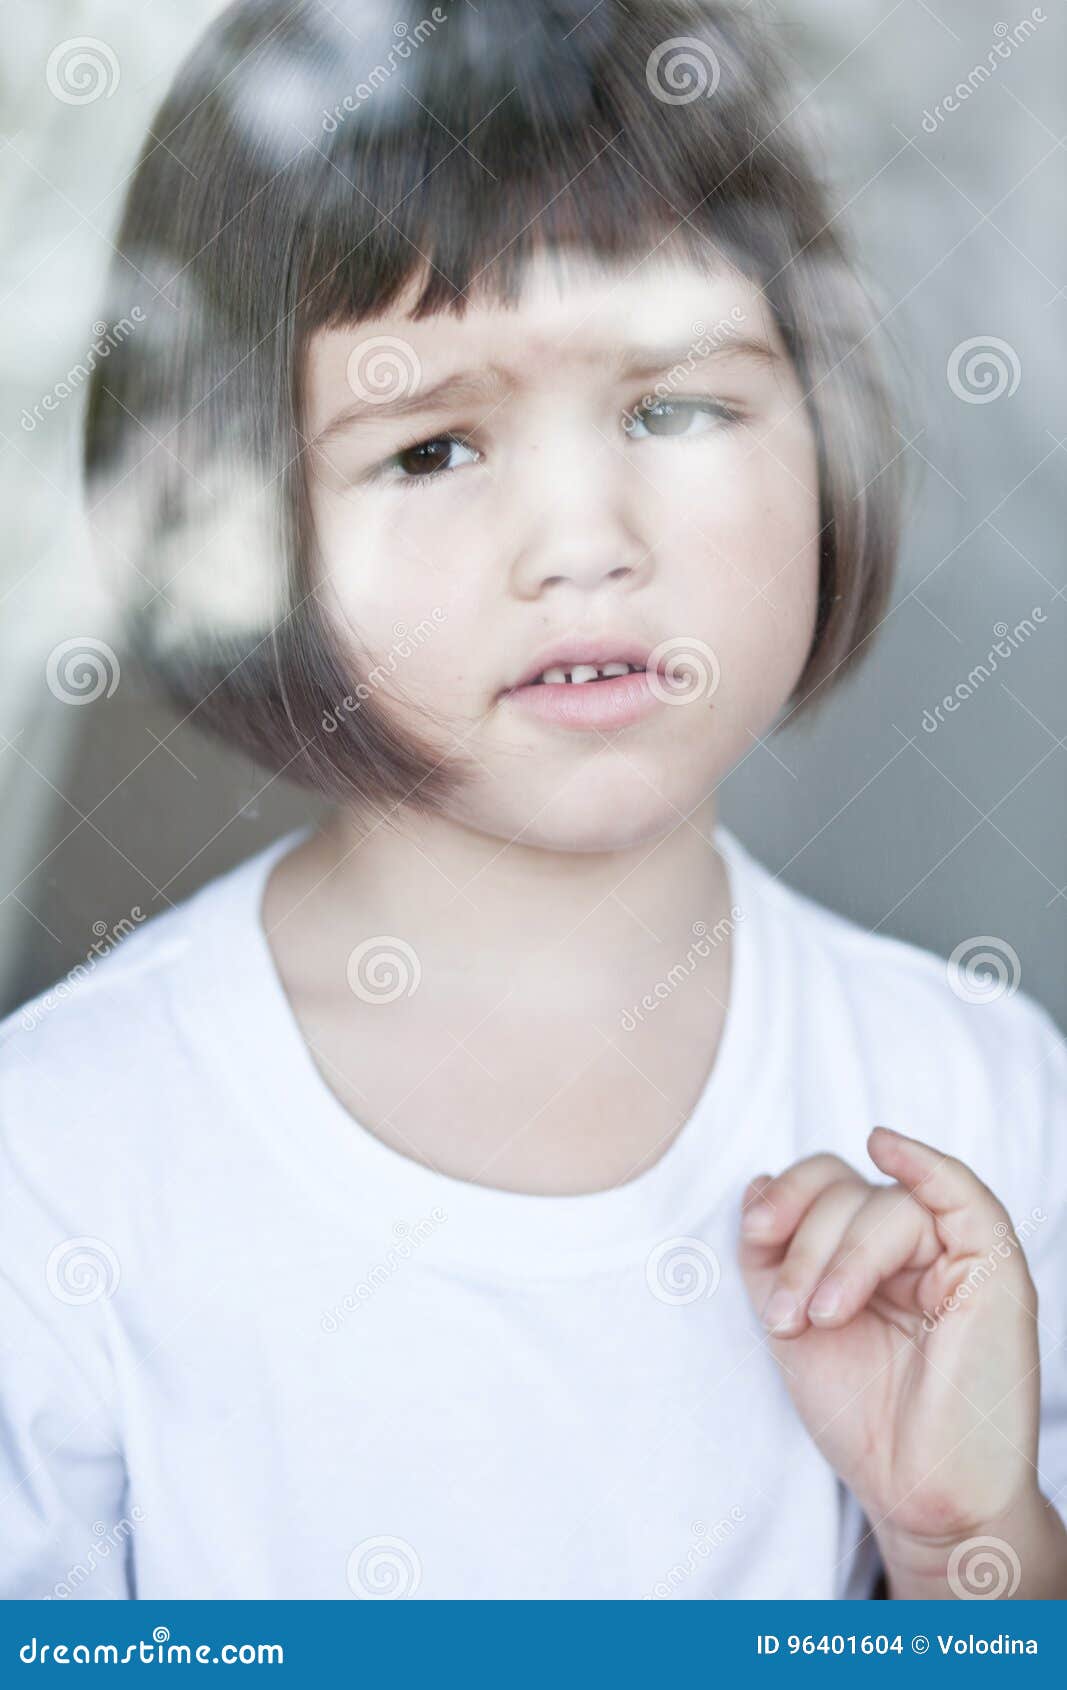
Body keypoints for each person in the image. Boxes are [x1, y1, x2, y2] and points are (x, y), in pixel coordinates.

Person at [1, 0, 1064, 1601]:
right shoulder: (61, 1152)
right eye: (431, 448)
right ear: (240, 514)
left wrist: (955, 1537)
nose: (584, 539)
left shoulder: (975, 1101)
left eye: (672, 409)